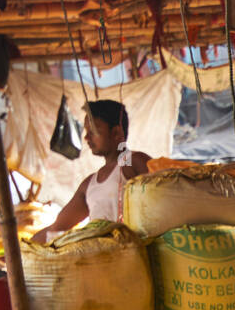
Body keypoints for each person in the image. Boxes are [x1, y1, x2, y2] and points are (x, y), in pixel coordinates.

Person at [39, 100, 151, 238]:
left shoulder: (132, 162)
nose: (86, 137)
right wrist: (24, 246)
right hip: (105, 257)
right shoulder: (89, 184)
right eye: (87, 131)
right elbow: (56, 228)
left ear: (116, 132)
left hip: (136, 254)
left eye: (94, 131)